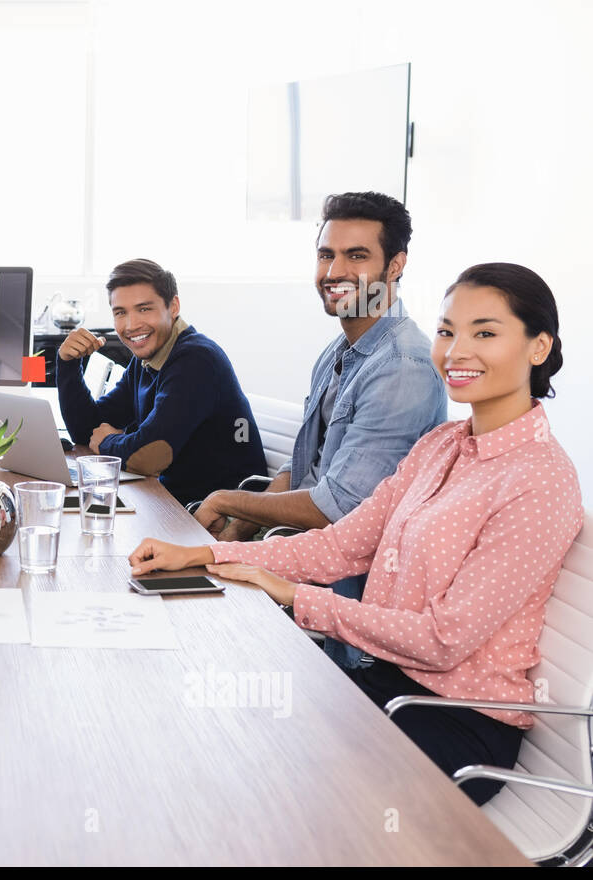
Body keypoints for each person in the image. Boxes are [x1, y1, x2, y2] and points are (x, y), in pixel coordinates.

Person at [129, 263, 582, 805]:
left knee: (253, 780)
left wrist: (298, 599)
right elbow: (343, 544)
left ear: (538, 347)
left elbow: (442, 642)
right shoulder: (440, 445)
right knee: (212, 725)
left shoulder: (540, 479)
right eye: (446, 331)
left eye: (485, 332)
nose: (458, 350)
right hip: (383, 688)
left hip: (454, 724)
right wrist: (202, 553)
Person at [189, 191, 446, 668]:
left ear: (395, 266)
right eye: (326, 254)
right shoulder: (341, 351)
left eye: (357, 256)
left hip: (345, 617)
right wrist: (239, 530)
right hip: (299, 575)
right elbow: (306, 464)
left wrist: (227, 501)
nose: (334, 272)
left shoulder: (402, 369)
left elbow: (336, 510)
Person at [57, 258, 266, 504]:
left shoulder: (195, 360)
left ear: (173, 306)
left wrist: (108, 441)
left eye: (144, 309)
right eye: (120, 312)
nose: (131, 325)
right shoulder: (147, 359)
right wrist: (68, 363)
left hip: (224, 518)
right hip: (174, 504)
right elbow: (87, 431)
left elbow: (148, 455)